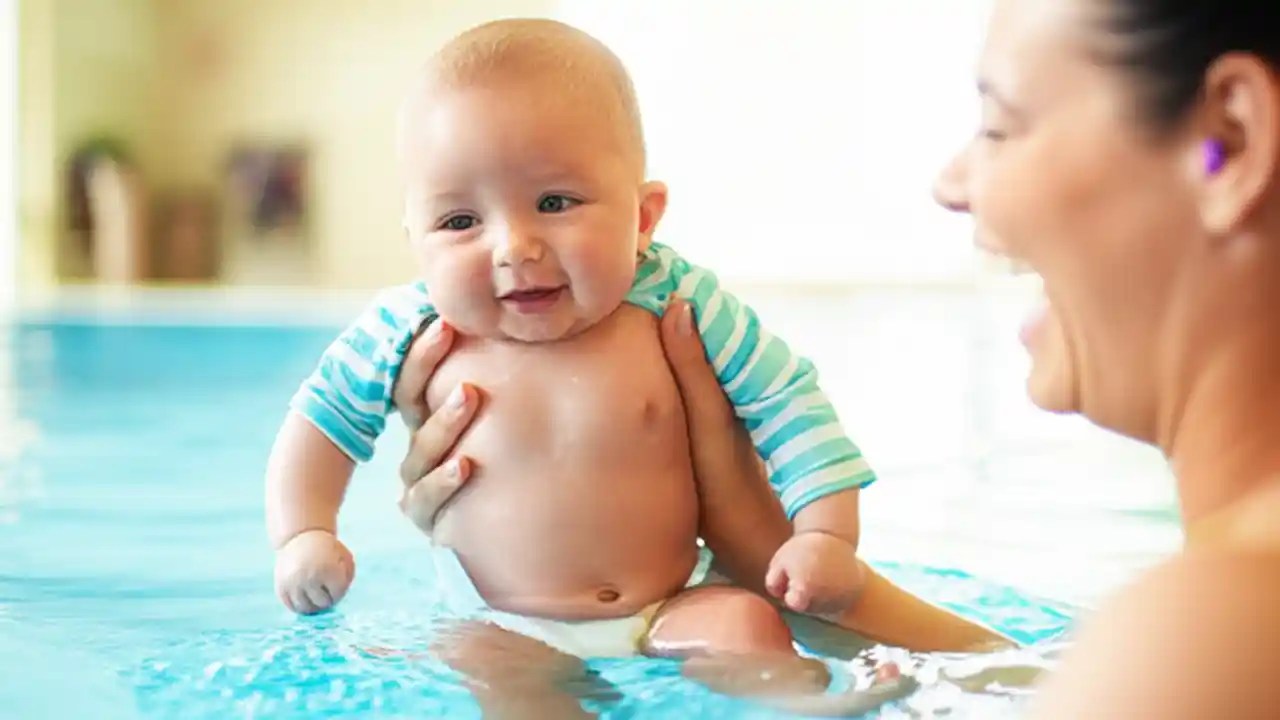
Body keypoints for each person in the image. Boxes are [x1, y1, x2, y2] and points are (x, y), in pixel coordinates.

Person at [400, 0, 1280, 717]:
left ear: (1228, 144)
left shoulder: (1213, 632)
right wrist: (756, 541)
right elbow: (1040, 682)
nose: (951, 182)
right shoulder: (1208, 631)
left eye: (1000, 128)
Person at [264, 16, 1004, 717]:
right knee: (500, 676)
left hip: (675, 602)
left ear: (643, 216)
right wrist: (304, 534)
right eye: (460, 221)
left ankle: (805, 703)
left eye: (555, 201)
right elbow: (321, 419)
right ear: (415, 236)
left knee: (747, 625)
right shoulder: (410, 327)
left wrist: (825, 535)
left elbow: (787, 401)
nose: (513, 246)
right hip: (505, 620)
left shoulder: (678, 300)